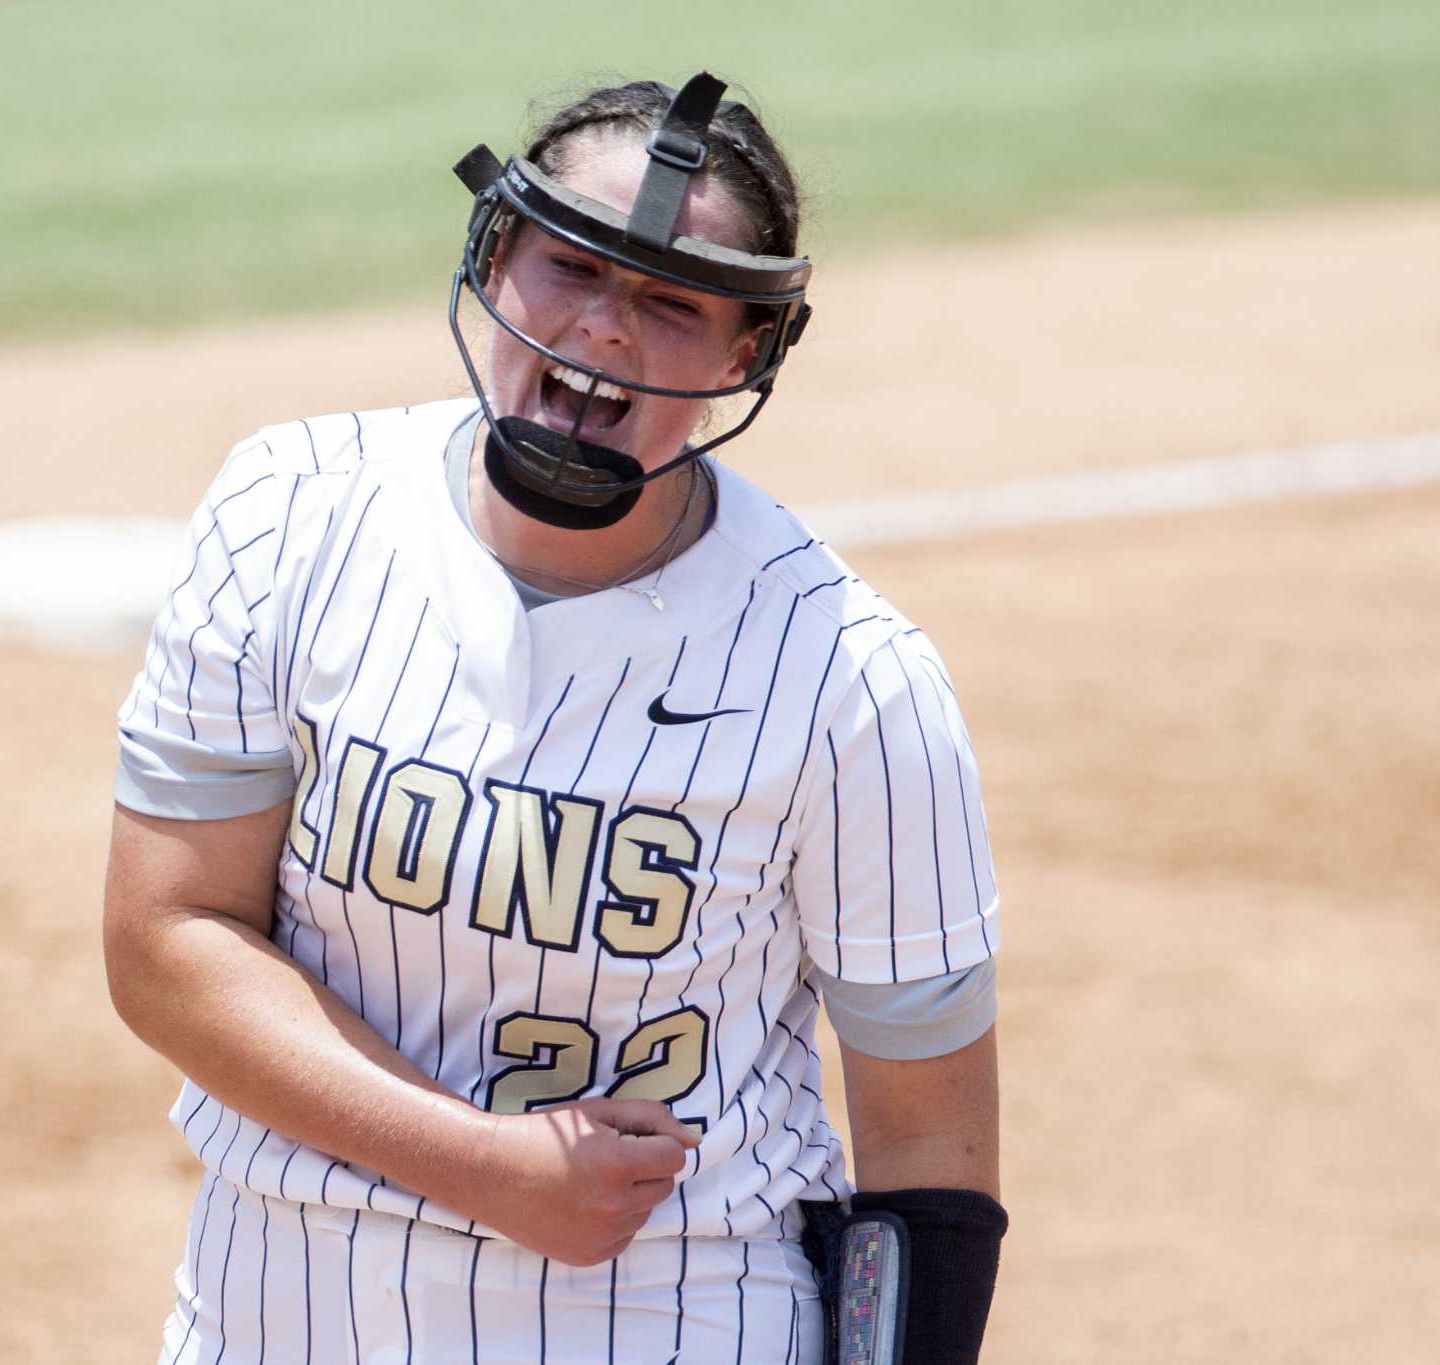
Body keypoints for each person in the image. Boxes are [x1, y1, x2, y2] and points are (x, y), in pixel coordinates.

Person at [104, 72, 1007, 1365]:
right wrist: (483, 1162)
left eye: (671, 301)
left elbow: (929, 1153)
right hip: (269, 1315)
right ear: (493, 254)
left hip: (673, 1320)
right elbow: (166, 931)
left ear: (749, 349)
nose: (606, 330)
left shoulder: (852, 678)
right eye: (572, 266)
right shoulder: (288, 512)